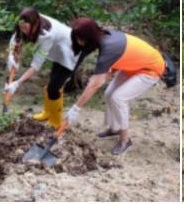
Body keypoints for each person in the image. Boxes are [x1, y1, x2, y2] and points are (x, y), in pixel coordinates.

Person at [65, 18, 166, 155]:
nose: (77, 41)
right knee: (108, 94)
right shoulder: (104, 37)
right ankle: (114, 128)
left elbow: (94, 85)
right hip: (132, 66)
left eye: (79, 38)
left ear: (88, 36)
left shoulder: (108, 47)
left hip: (151, 69)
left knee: (118, 98)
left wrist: (76, 108)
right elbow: (119, 58)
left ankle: (125, 140)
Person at [3, 8, 79, 129]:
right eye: (21, 27)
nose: (24, 31)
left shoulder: (47, 35)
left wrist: (17, 83)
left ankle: (55, 121)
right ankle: (47, 113)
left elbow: (35, 66)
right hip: (58, 49)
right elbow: (16, 38)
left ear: (35, 24)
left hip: (70, 51)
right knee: (51, 86)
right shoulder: (27, 21)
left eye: (26, 29)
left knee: (54, 88)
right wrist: (11, 55)